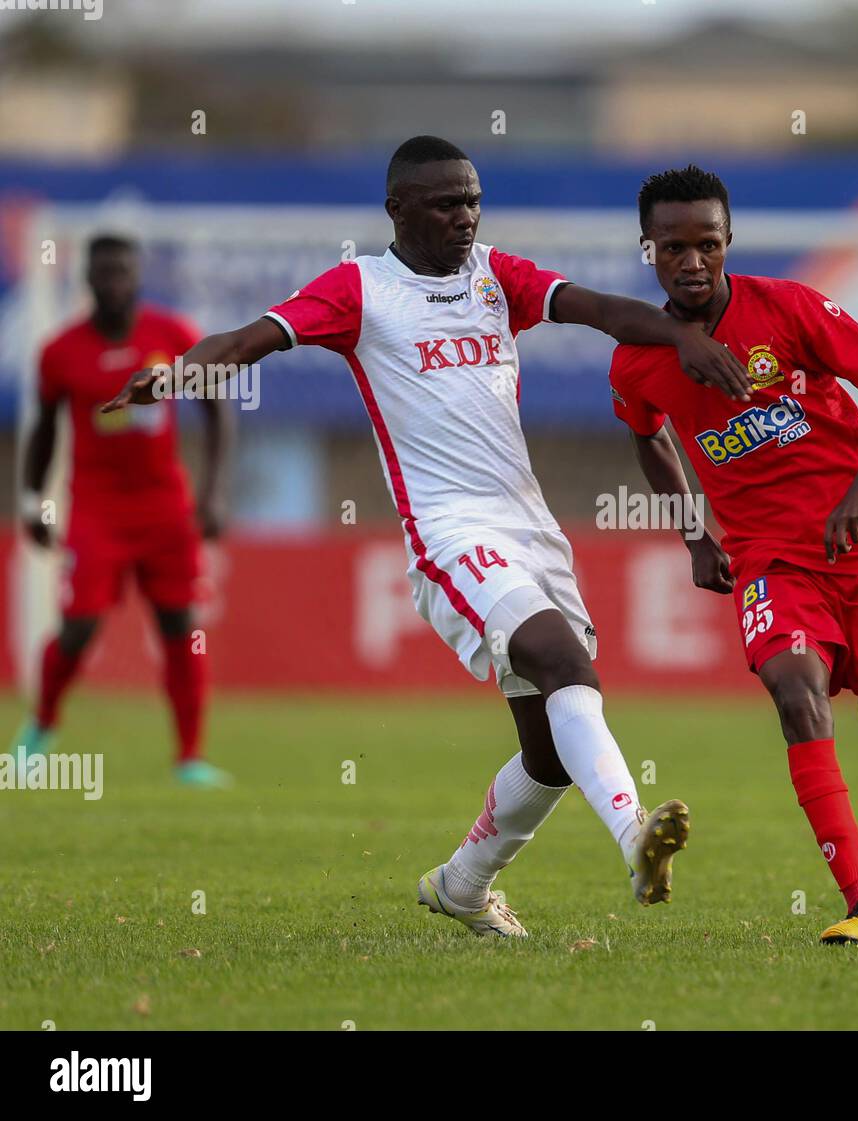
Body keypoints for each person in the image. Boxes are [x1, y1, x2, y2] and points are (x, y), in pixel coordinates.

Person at [104, 136, 754, 938]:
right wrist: (175, 373)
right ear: (398, 209)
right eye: (446, 203)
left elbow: (596, 308)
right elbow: (247, 342)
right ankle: (633, 838)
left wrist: (677, 334)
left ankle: (462, 883)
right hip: (448, 530)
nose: (464, 217)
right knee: (564, 661)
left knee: (549, 752)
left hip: (530, 525)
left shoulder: (496, 276)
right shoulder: (360, 291)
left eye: (473, 201)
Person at [608, 165, 858, 947]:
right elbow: (647, 434)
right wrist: (694, 532)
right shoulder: (638, 358)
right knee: (796, 691)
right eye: (674, 247)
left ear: (729, 243)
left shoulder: (787, 307)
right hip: (773, 564)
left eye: (708, 244)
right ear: (649, 250)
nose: (692, 261)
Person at [15, 234, 233, 788]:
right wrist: (30, 498)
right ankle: (39, 729)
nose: (114, 281)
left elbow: (217, 411)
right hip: (95, 509)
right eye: (104, 271)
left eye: (124, 271)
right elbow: (43, 429)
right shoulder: (60, 351)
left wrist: (215, 492)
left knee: (180, 626)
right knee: (79, 625)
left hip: (165, 508)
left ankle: (189, 757)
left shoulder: (172, 336)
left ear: (137, 277)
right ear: (88, 279)